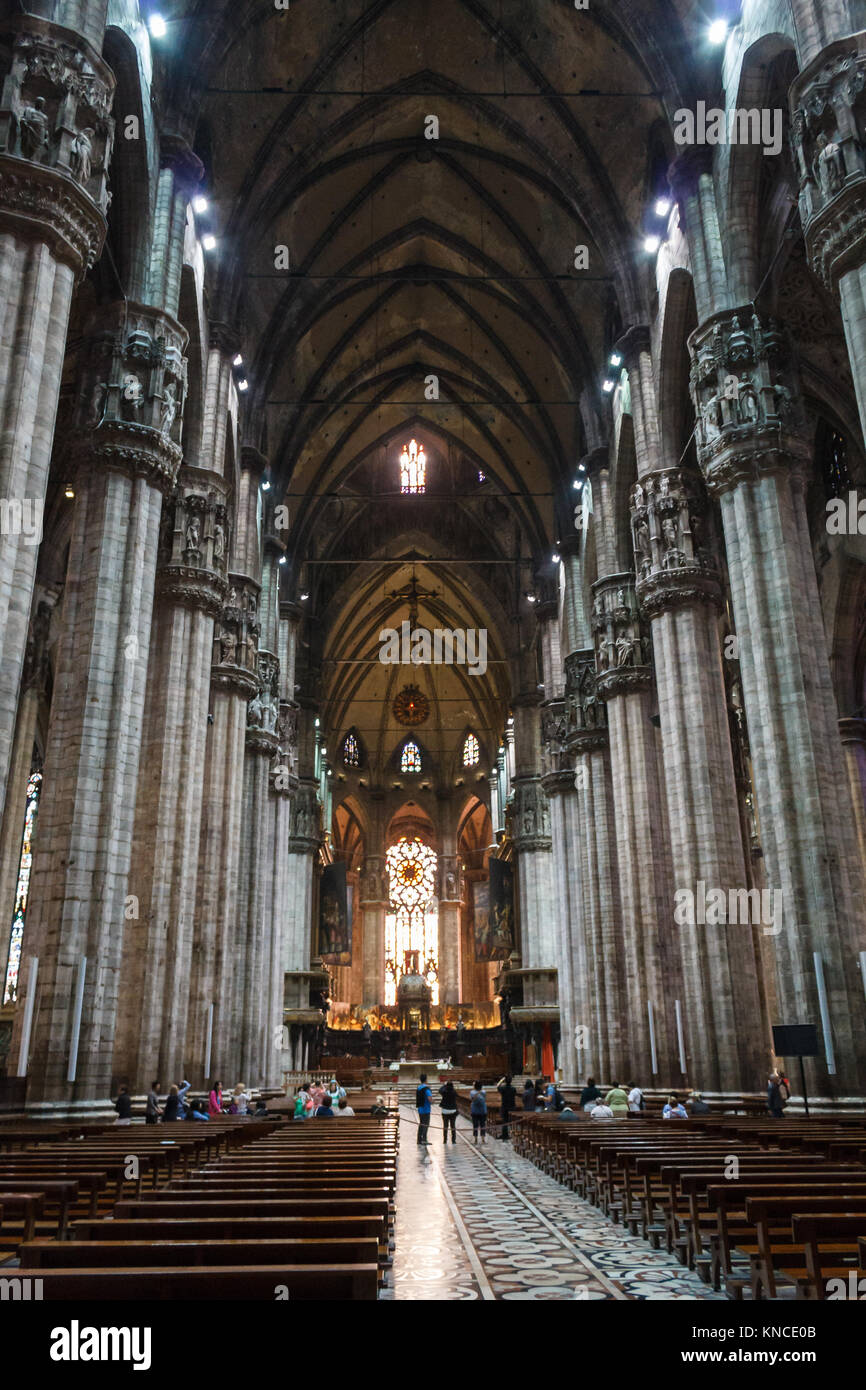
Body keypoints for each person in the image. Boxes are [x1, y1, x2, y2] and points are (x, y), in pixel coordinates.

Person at [497, 1073, 517, 1141]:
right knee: (510, 1121)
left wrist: (502, 1080)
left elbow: (497, 1086)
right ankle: (509, 1134)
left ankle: (504, 1135)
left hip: (504, 1106)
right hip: (512, 1106)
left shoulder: (503, 1088)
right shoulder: (513, 1089)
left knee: (504, 1121)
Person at [416, 1072, 432, 1145]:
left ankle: (419, 1139)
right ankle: (424, 1140)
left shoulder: (419, 1088)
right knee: (426, 1124)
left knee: (421, 1124)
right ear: (426, 1080)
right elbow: (429, 1099)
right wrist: (432, 1101)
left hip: (420, 1109)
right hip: (426, 1109)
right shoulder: (426, 1089)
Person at [439, 1080, 458, 1144]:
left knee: (445, 1126)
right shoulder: (454, 1092)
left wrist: (444, 1085)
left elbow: (440, 1090)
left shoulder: (444, 1092)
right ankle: (453, 1140)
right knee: (453, 1126)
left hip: (445, 1111)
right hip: (453, 1111)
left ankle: (445, 1140)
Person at [469, 1079, 487, 1143]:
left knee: (478, 1125)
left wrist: (478, 1092)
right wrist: (478, 1092)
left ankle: (481, 1138)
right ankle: (478, 1138)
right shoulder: (481, 1092)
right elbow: (473, 1099)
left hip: (477, 1110)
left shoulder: (473, 1092)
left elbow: (473, 1099)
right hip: (479, 1110)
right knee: (480, 1125)